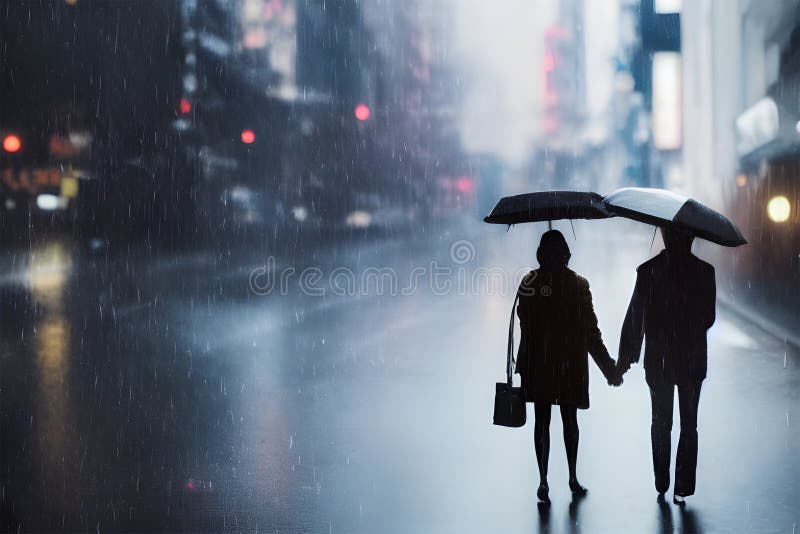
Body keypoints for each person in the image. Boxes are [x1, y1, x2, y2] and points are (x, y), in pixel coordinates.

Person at [515, 230, 622, 505]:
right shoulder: (579, 286)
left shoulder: (529, 283)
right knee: (569, 421)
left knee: (541, 422)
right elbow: (591, 333)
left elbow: (523, 322)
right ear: (567, 255)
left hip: (539, 364)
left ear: (540, 255)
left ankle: (543, 480)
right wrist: (609, 369)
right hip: (569, 366)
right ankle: (572, 477)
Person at [616, 227, 716, 505]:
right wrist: (685, 322)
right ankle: (682, 486)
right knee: (689, 425)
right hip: (692, 359)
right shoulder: (704, 272)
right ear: (691, 238)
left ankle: (662, 477)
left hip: (658, 359)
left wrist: (625, 358)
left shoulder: (648, 271)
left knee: (661, 422)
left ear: (664, 236)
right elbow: (708, 318)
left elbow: (636, 316)